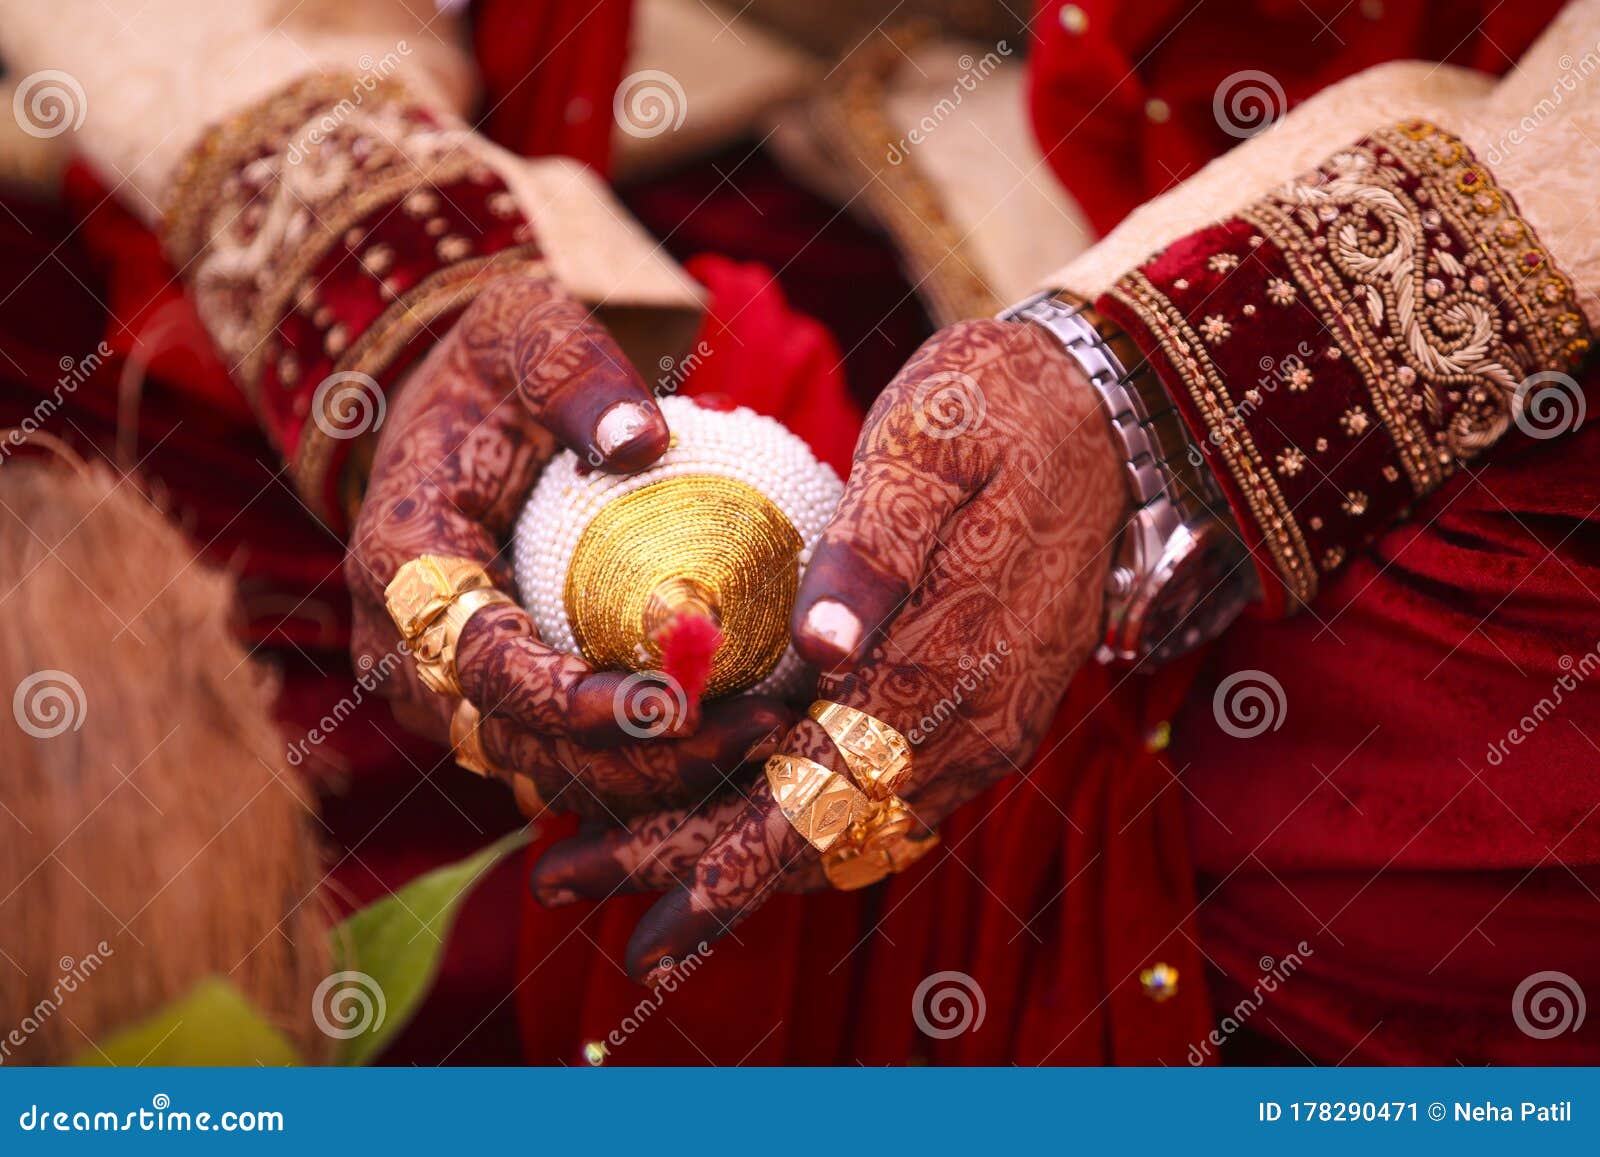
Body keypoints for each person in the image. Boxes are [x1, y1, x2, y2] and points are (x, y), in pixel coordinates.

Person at [0, 0, 1595, 1065]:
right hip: (657, 161)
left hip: (1402, 205)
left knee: (1421, 823)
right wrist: (410, 298)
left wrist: (1178, 381)